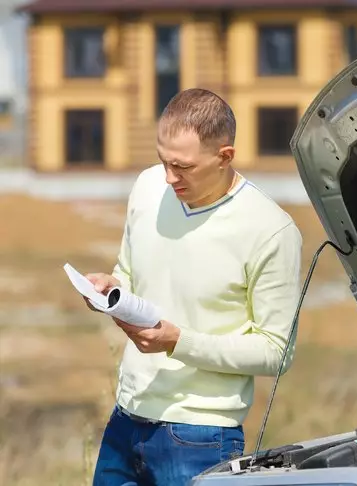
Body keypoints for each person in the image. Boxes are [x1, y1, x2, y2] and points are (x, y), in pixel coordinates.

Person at [86, 88, 303, 485]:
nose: (169, 177)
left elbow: (276, 352)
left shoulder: (272, 231)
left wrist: (177, 341)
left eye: (182, 166)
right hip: (126, 418)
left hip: (201, 436)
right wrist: (110, 288)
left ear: (225, 156)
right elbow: (129, 272)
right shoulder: (148, 187)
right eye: (163, 161)